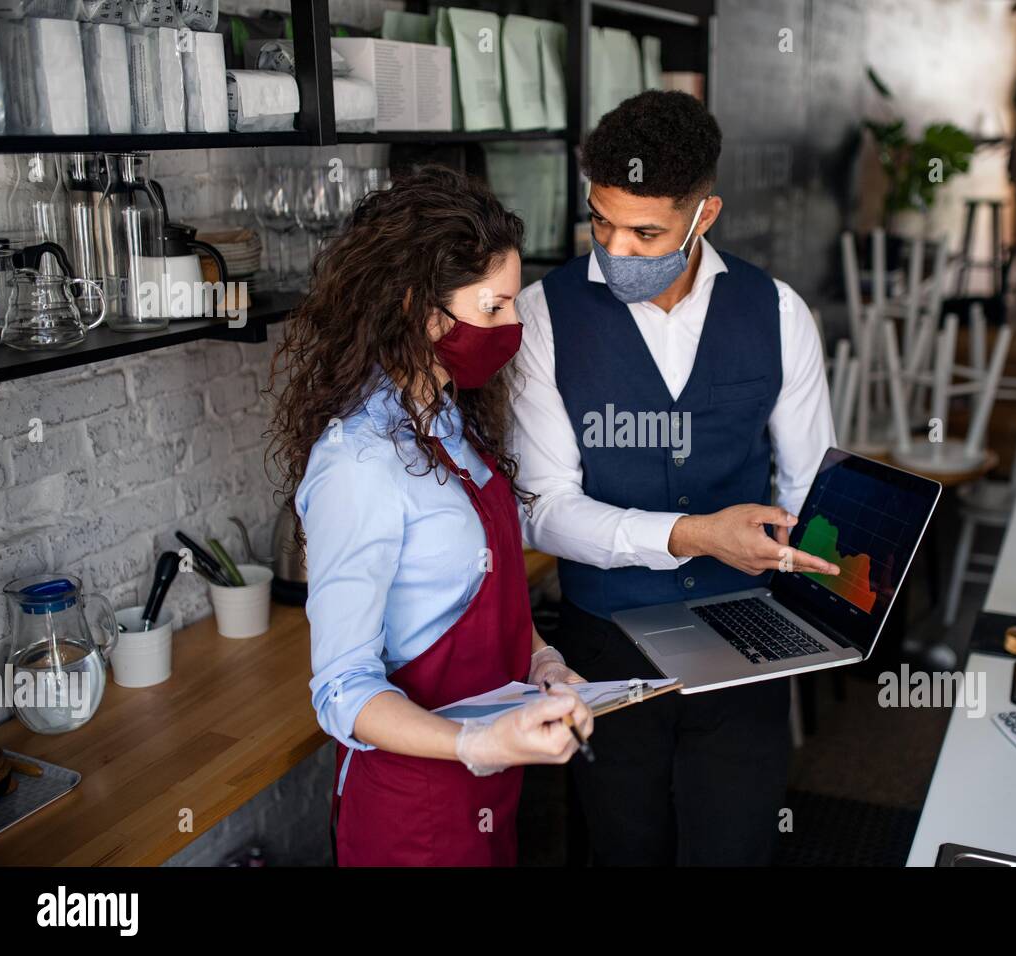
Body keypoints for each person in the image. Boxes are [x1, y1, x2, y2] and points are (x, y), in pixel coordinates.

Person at [511, 91, 839, 865]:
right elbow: (545, 510)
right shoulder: (542, 315)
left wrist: (824, 591)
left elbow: (810, 489)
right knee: (622, 847)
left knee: (736, 843)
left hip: (747, 639)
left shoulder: (778, 312)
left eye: (646, 232)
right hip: (605, 646)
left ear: (705, 215)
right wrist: (693, 536)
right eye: (601, 221)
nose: (616, 250)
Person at [269, 166, 593, 867]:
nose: (513, 328)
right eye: (494, 308)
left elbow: (483, 591)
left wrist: (543, 660)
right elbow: (342, 690)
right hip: (411, 811)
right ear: (421, 307)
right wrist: (473, 744)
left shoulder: (450, 418)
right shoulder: (358, 462)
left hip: (489, 785)